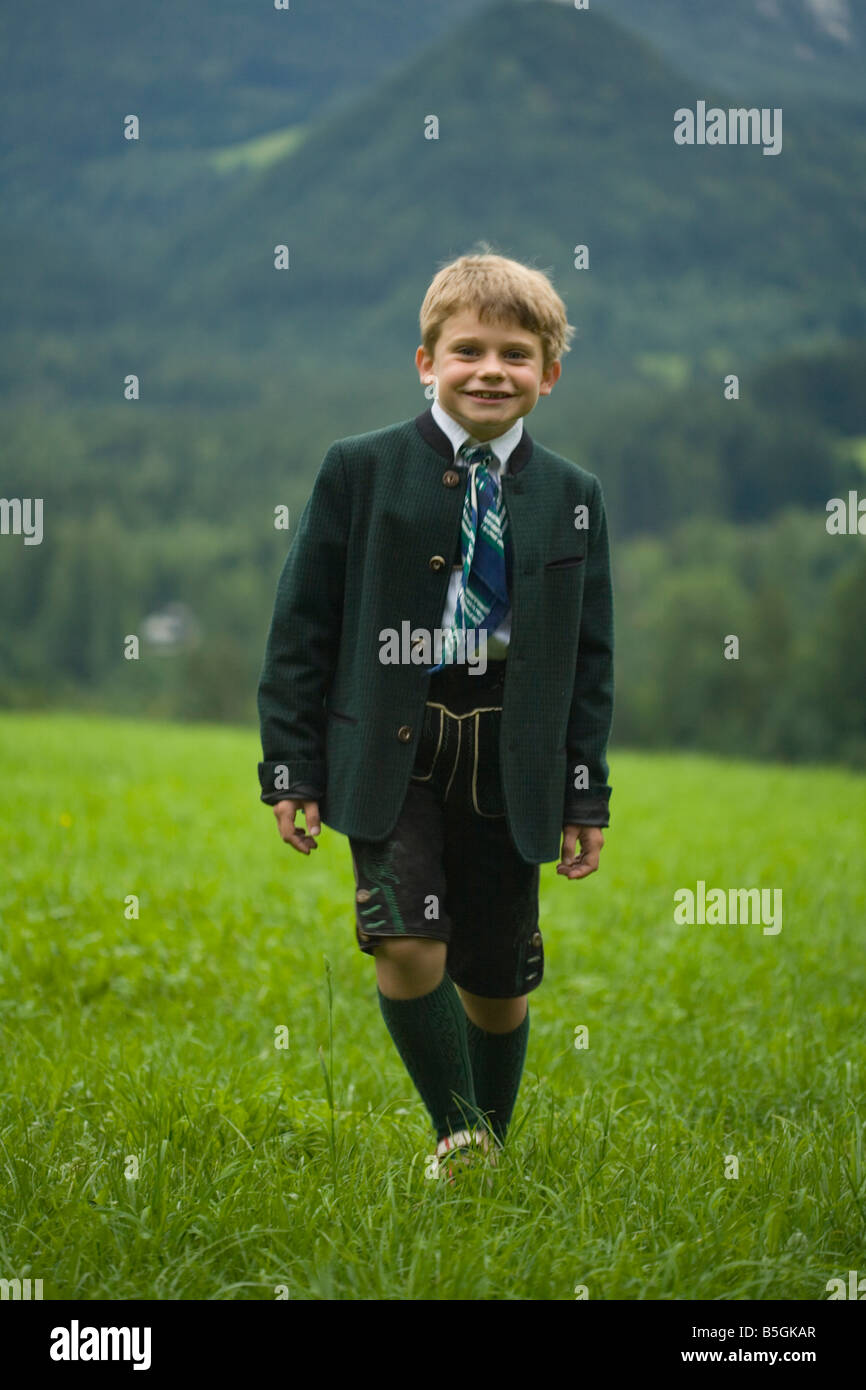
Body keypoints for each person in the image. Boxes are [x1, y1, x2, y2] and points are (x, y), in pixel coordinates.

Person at [257, 250, 614, 1180]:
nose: (490, 370)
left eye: (515, 354)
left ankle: (485, 1152)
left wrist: (586, 795)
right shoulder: (358, 470)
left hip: (514, 758)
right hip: (390, 745)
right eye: (466, 351)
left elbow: (591, 661)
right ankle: (458, 1136)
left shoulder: (577, 498)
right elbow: (301, 627)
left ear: (549, 373)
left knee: (497, 986)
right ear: (426, 362)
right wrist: (290, 769)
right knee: (407, 942)